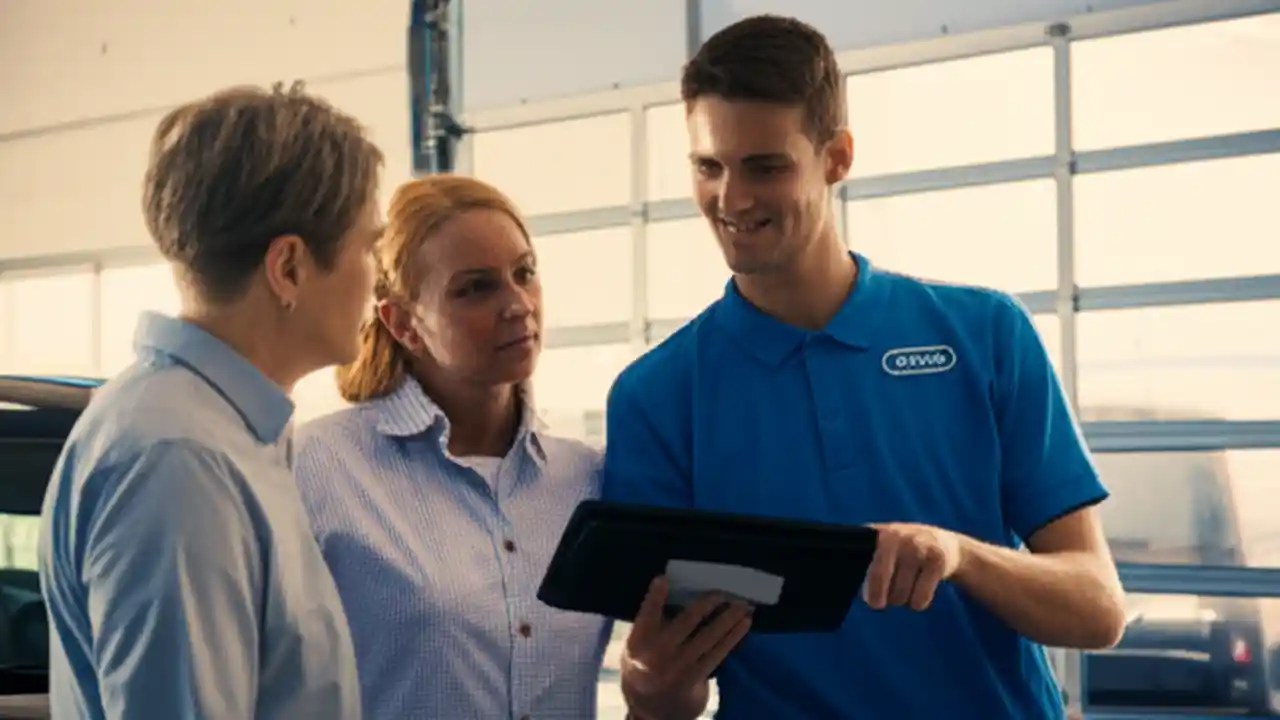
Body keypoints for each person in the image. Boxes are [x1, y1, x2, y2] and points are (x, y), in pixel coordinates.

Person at [602, 14, 1129, 720]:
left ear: (837, 157)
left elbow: (1098, 609)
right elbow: (668, 682)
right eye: (709, 166)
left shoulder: (985, 334)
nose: (731, 199)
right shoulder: (655, 397)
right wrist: (648, 685)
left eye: (766, 166)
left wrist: (960, 556)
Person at [37, 83, 383, 720]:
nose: (378, 276)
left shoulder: (228, 432)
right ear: (289, 268)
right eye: (369, 246)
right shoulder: (180, 461)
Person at [292, 174, 612, 719]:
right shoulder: (317, 467)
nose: (518, 305)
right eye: (475, 288)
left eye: (524, 273)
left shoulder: (587, 479)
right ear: (402, 323)